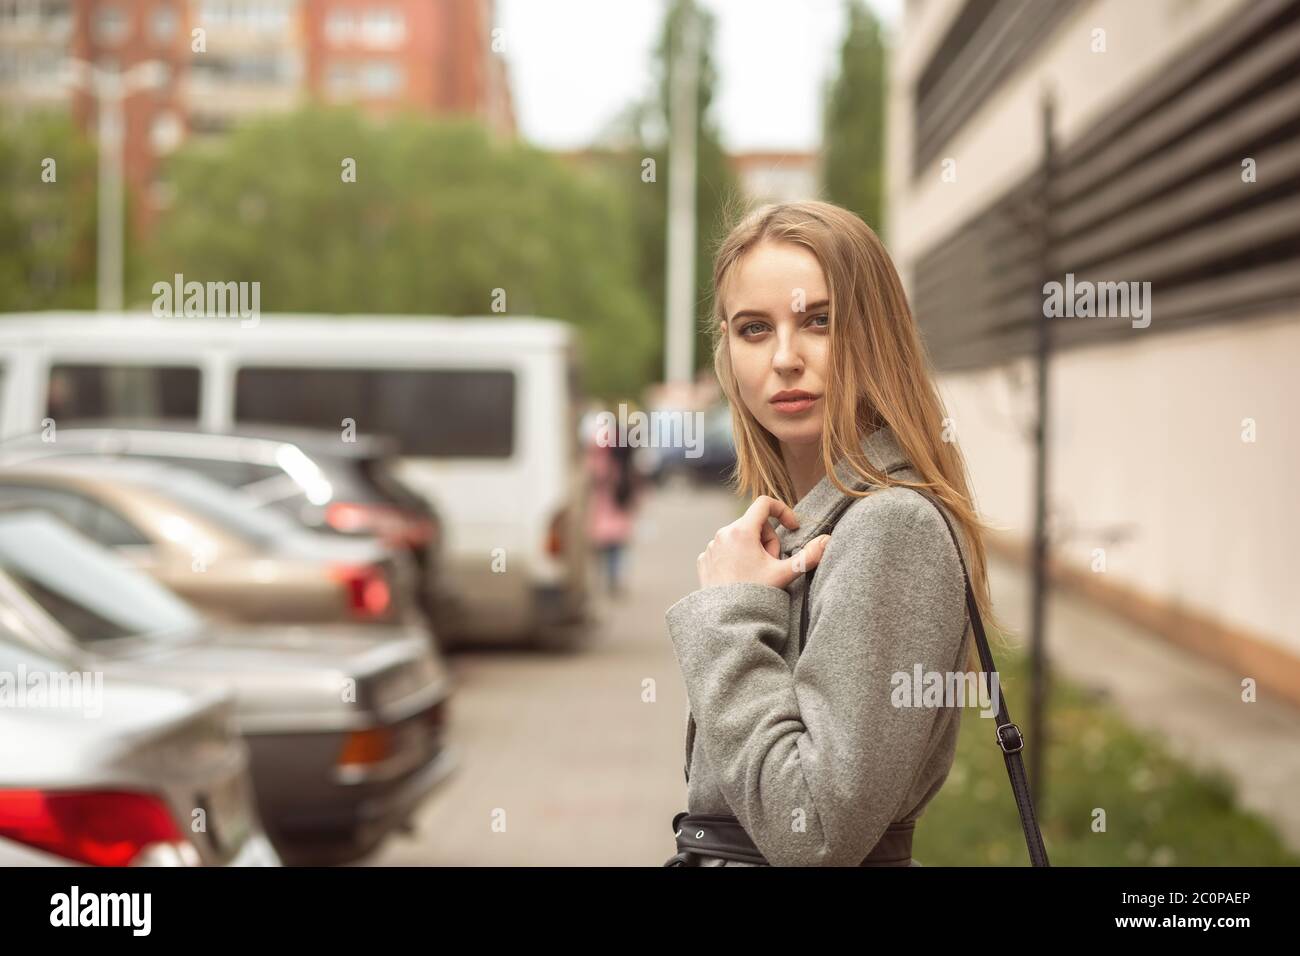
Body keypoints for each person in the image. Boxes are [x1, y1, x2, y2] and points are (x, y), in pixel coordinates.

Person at [662, 200, 1005, 867]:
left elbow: (813, 830)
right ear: (727, 352)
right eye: (754, 329)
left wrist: (730, 616)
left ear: (875, 333)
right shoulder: (808, 523)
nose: (785, 358)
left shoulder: (891, 525)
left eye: (819, 321)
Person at [585, 424, 641, 598]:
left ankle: (604, 581)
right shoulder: (625, 468)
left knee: (604, 552)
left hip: (604, 517)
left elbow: (593, 473)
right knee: (616, 550)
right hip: (617, 518)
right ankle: (614, 581)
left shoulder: (603, 465)